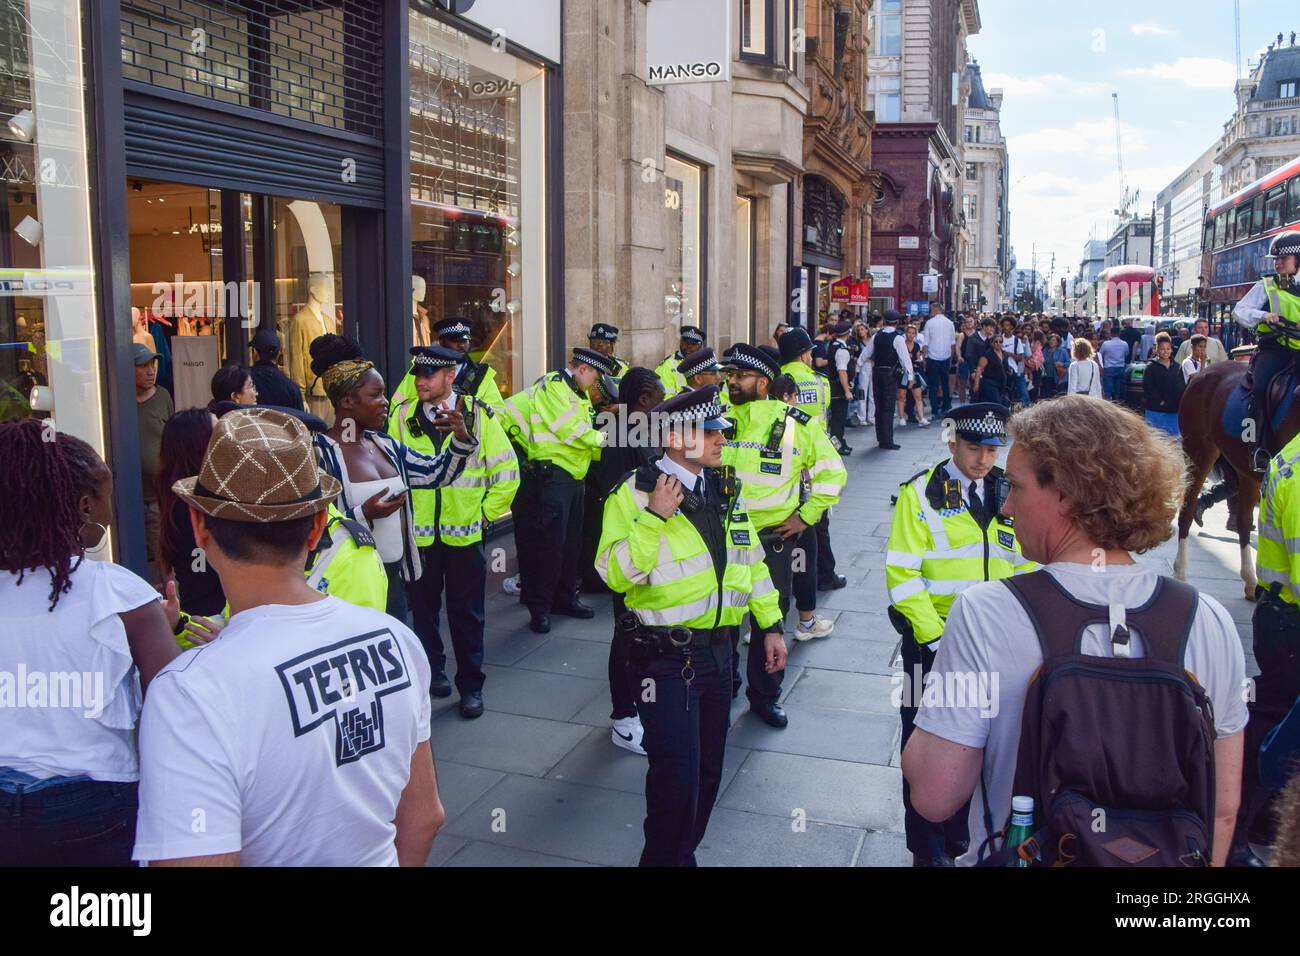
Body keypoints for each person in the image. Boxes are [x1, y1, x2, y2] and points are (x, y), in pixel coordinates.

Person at [902, 396, 1247, 867]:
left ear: (1063, 493)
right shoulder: (1207, 618)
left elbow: (934, 796)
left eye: (1016, 487)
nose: (1005, 505)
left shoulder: (985, 612)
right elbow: (1222, 812)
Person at [133, 408, 445, 866]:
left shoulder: (189, 693)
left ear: (201, 528)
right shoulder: (397, 640)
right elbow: (423, 817)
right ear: (318, 526)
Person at [596, 386, 785, 866]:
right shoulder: (634, 493)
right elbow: (614, 574)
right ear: (676, 439)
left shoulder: (723, 488)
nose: (722, 437)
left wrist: (772, 623)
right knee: (674, 778)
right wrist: (654, 519)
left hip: (721, 654)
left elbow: (749, 560)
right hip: (664, 659)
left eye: (721, 428)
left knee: (706, 775)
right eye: (710, 430)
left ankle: (682, 855)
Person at [0, 419, 181, 866]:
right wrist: (166, 628)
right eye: (105, 497)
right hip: (92, 802)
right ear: (82, 507)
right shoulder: (119, 592)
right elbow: (176, 699)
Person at [885, 403, 1033, 866]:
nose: (985, 459)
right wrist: (938, 642)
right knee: (926, 751)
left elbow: (1026, 564)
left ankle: (957, 839)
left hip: (994, 647)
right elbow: (903, 576)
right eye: (975, 448)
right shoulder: (921, 493)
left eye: (993, 449)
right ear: (952, 442)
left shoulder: (1009, 491)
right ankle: (926, 852)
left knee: (981, 745)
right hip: (933, 647)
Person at [388, 346, 519, 719]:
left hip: (464, 535)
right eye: (417, 375)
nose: (420, 382)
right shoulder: (402, 416)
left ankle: (471, 687)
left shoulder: (477, 414)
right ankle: (434, 674)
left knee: (467, 614)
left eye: (429, 375)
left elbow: (507, 470)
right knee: (423, 611)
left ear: (450, 376)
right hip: (420, 537)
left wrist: (485, 515)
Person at [309, 334, 476, 623]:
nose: (386, 402)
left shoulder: (385, 445)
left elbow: (436, 474)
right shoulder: (319, 453)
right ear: (347, 401)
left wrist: (460, 438)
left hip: (394, 577)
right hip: (348, 583)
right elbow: (314, 530)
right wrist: (364, 514)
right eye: (376, 395)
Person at [721, 345, 846, 727]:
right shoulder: (718, 419)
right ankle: (723, 686)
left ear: (762, 383)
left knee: (769, 619)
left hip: (772, 537)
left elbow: (832, 474)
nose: (731, 381)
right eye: (729, 375)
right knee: (724, 616)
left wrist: (804, 518)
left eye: (739, 376)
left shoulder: (795, 423)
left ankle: (765, 695)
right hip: (722, 535)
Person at [503, 347, 614, 633]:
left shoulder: (577, 392)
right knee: (548, 547)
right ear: (584, 369)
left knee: (570, 544)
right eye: (595, 375)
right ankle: (539, 608)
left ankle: (565, 598)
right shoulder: (554, 385)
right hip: (552, 478)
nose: (596, 382)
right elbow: (569, 430)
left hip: (573, 478)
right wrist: (604, 437)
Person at [588, 368, 666, 755]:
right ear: (645, 398)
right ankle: (623, 717)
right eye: (660, 397)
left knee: (638, 633)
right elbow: (614, 492)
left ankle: (638, 706)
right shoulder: (628, 434)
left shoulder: (633, 427)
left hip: (642, 545)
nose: (664, 403)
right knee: (627, 634)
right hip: (627, 546)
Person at [1240, 427, 1300, 865]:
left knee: (1271, 713)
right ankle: (1253, 823)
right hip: (1290, 625)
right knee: (1277, 723)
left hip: (1281, 619)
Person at [1234, 230, 1300, 472]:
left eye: (1283, 259)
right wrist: (1264, 315)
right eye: (1276, 259)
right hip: (1274, 350)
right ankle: (1254, 446)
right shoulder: (1267, 285)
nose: (1277, 263)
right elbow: (1240, 311)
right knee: (1259, 390)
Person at [156, 408, 226, 617]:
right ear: (199, 445)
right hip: (213, 623)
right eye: (218, 433)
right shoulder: (194, 506)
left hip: (202, 618)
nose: (227, 438)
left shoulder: (177, 501)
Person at [392, 317, 506, 415]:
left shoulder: (482, 374)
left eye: (465, 340)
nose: (461, 344)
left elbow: (498, 413)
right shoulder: (422, 369)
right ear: (441, 341)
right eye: (455, 340)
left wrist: (468, 418)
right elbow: (397, 407)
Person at [135, 342, 173, 572]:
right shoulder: (117, 399)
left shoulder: (162, 397)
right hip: (127, 499)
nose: (151, 371)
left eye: (153, 364)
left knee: (161, 558)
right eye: (143, 366)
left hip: (156, 498)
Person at [870, 310, 913, 450]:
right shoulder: (898, 338)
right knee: (888, 407)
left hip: (876, 372)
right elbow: (905, 359)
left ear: (884, 320)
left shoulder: (876, 336)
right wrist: (910, 376)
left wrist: (858, 367)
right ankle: (887, 440)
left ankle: (880, 437)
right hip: (889, 374)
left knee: (879, 405)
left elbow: (866, 354)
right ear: (897, 322)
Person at [778, 327, 831, 427]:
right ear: (803, 356)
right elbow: (825, 405)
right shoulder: (821, 381)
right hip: (817, 440)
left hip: (785, 440)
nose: (811, 359)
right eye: (810, 354)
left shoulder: (774, 380)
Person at [248, 327, 304, 410]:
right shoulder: (291, 388)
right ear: (278, 353)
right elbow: (299, 420)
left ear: (255, 352)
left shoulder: (245, 382)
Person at [1143, 333, 1183, 437]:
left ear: (1171, 349)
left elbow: (1181, 387)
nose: (1166, 351)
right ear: (1156, 349)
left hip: (1174, 411)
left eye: (1168, 348)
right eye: (1162, 349)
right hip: (1155, 411)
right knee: (1157, 441)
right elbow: (1148, 388)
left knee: (1175, 442)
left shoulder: (1177, 367)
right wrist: (1160, 401)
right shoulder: (1150, 367)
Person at [825, 320, 856, 455]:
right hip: (838, 387)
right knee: (839, 418)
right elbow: (842, 372)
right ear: (847, 333)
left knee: (838, 418)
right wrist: (847, 391)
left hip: (834, 386)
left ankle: (840, 442)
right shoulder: (842, 350)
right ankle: (836, 445)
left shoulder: (834, 344)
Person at [654, 325, 705, 399]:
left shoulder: (705, 365)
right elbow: (664, 400)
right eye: (686, 342)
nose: (688, 346)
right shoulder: (667, 366)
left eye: (693, 344)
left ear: (700, 346)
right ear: (680, 341)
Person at [923, 304, 955, 417]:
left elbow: (925, 343)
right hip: (945, 357)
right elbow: (952, 344)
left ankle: (935, 410)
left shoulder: (929, 323)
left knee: (933, 385)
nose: (930, 311)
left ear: (935, 310)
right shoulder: (950, 323)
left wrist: (924, 359)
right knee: (945, 384)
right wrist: (951, 358)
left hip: (932, 357)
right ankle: (946, 407)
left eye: (931, 309)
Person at [897, 324, 931, 428]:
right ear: (906, 333)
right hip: (903, 373)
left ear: (915, 334)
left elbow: (918, 359)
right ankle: (902, 417)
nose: (911, 335)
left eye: (913, 333)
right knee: (901, 396)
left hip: (914, 373)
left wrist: (918, 363)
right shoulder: (901, 344)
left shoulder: (916, 346)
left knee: (918, 396)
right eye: (909, 332)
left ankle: (921, 418)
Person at [970, 317, 1008, 406]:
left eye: (1000, 342)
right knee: (997, 403)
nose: (998, 343)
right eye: (996, 342)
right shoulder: (988, 354)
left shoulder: (1004, 354)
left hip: (1001, 383)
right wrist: (976, 383)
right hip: (989, 382)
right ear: (992, 343)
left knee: (1000, 403)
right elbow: (979, 368)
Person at [999, 316, 1030, 407]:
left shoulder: (1016, 340)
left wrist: (1009, 354)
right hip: (1002, 369)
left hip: (1016, 369)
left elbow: (1020, 357)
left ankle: (1026, 407)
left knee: (1023, 390)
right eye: (1004, 325)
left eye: (1008, 325)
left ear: (1012, 327)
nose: (1005, 328)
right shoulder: (999, 339)